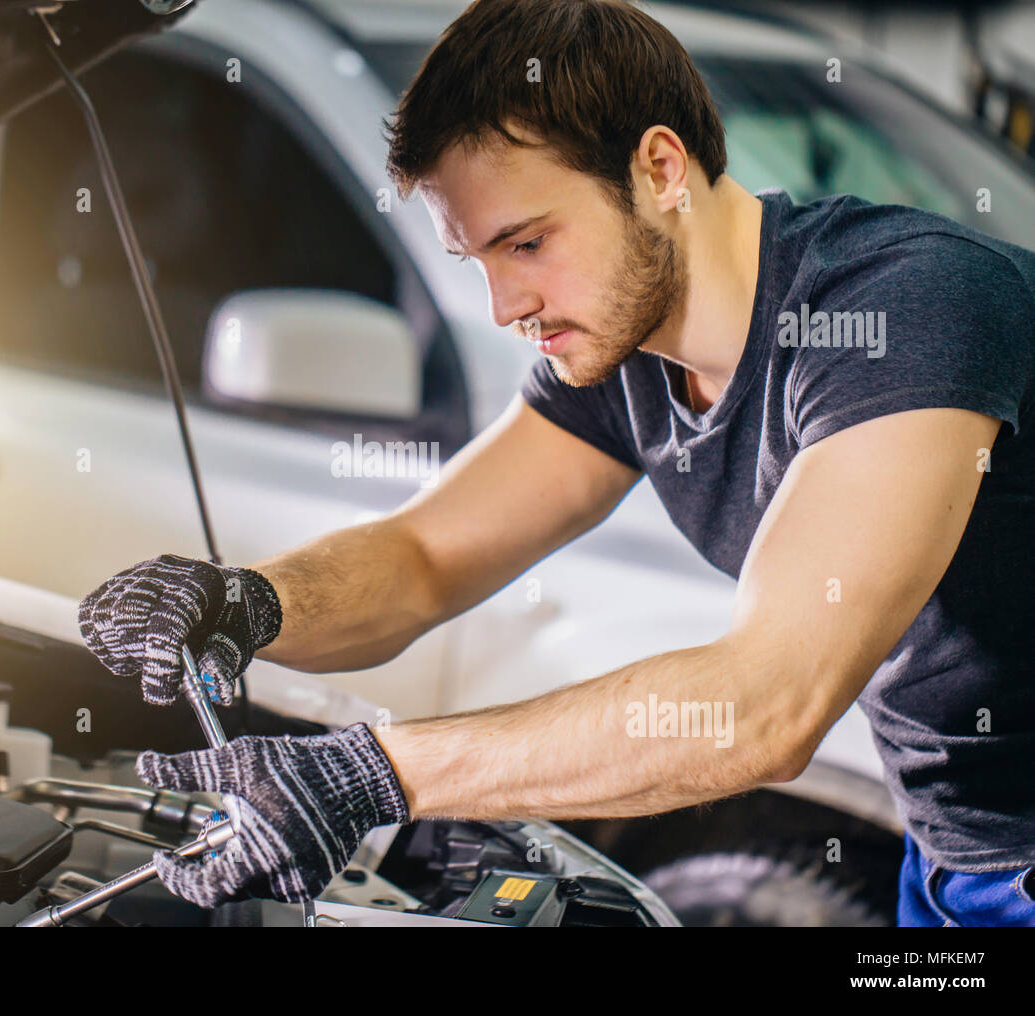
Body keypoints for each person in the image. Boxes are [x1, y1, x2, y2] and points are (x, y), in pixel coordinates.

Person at [78, 0, 1035, 925]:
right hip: (958, 854)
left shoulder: (906, 308)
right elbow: (425, 559)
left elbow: (764, 704)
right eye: (478, 262)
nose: (506, 306)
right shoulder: (622, 349)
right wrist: (249, 602)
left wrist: (377, 773)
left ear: (660, 168)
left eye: (527, 243)